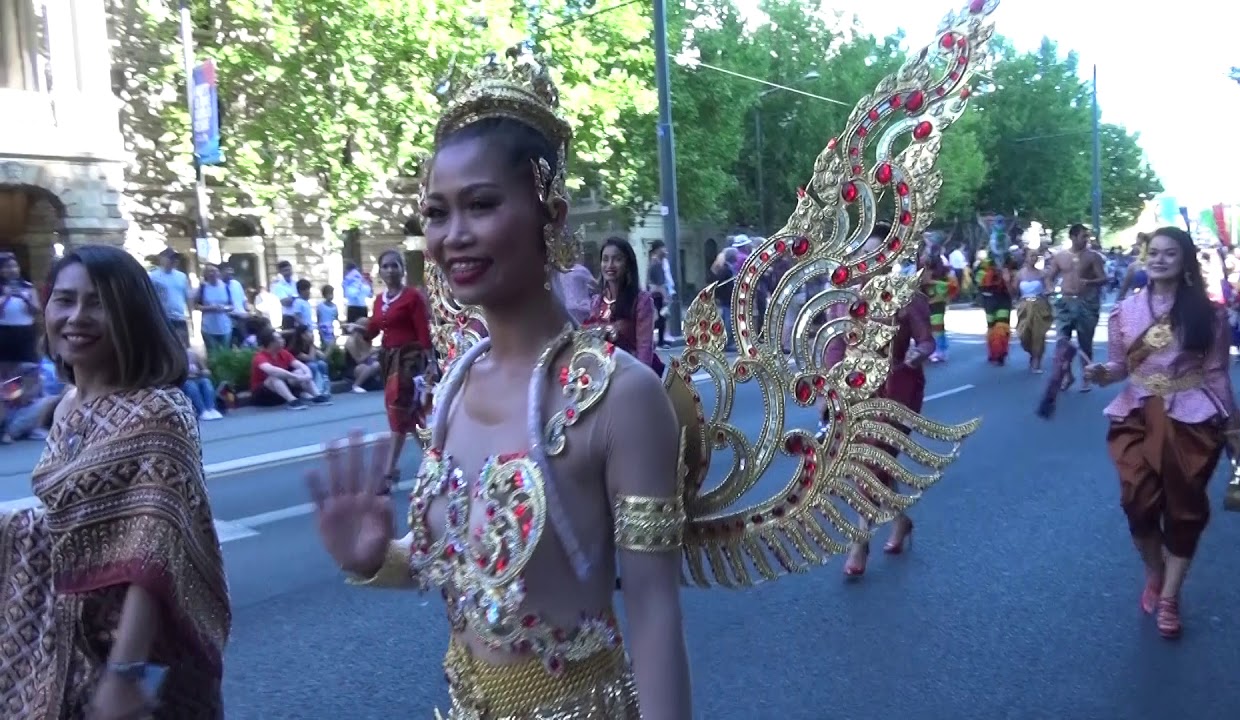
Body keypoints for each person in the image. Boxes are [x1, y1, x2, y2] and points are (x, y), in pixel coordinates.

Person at [306, 11, 992, 713]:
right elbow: (466, 574)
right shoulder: (454, 385)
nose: (453, 235)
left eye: (481, 205)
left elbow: (657, 616)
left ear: (551, 214)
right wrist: (375, 559)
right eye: (436, 213)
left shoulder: (617, 399)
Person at [0, 244, 230, 717]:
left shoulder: (160, 413)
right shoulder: (65, 406)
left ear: (131, 315)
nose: (76, 316)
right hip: (54, 635)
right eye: (64, 300)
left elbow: (156, 549)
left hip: (134, 653)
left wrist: (125, 671)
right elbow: (66, 520)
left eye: (98, 302)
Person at [1084, 227, 1240, 639]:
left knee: (1183, 511)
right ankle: (1155, 571)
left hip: (1190, 420)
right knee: (1135, 502)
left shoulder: (1208, 315)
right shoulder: (1125, 312)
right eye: (1152, 253)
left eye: (1169, 254)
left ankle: (1171, 596)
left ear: (1184, 260)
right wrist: (1102, 373)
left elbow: (1216, 373)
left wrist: (1233, 424)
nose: (1158, 259)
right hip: (1136, 412)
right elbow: (1119, 367)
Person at [823, 224, 935, 577]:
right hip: (855, 391)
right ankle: (900, 521)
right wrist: (831, 385)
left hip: (896, 389)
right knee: (868, 463)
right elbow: (834, 347)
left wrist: (917, 355)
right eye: (866, 253)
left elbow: (927, 341)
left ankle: (860, 542)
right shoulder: (843, 299)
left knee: (874, 460)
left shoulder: (908, 296)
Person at [345, 249, 435, 485]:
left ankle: (388, 472)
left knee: (397, 409)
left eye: (395, 265)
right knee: (410, 414)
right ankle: (436, 457)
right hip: (388, 359)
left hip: (409, 359)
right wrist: (358, 330)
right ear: (380, 272)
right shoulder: (379, 300)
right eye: (386, 266)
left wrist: (431, 363)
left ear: (402, 270)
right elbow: (375, 329)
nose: (391, 270)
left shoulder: (412, 297)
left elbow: (423, 330)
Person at [1045, 223, 1107, 391]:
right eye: (1083, 236)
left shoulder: (1093, 257)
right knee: (1062, 342)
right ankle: (1067, 375)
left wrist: (1089, 282)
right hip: (1064, 303)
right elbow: (1049, 277)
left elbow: (1103, 278)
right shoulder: (1059, 256)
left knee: (1085, 343)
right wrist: (1052, 291)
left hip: (1086, 303)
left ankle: (1086, 378)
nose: (1086, 240)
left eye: (1087, 237)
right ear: (1072, 237)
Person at [585, 237, 657, 372]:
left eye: (617, 259)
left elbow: (645, 347)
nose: (609, 265)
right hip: (601, 375)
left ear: (628, 264)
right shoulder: (596, 302)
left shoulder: (641, 300)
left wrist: (641, 378)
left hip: (629, 373)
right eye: (605, 259)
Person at [250, 331, 329, 409]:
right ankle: (292, 401)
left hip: (281, 390)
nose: (283, 340)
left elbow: (300, 365)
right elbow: (273, 370)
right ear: (271, 343)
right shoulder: (260, 357)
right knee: (274, 378)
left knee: (300, 371)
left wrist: (308, 374)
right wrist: (295, 377)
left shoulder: (283, 353)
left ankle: (317, 395)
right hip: (264, 395)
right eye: (279, 338)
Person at [1013, 249, 1053, 373]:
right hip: (1024, 306)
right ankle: (1032, 352)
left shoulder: (1042, 274)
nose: (1034, 258)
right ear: (1026, 257)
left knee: (1039, 334)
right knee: (1023, 334)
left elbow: (1049, 287)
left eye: (1036, 256)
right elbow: (1014, 291)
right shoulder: (1019, 274)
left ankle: (1036, 360)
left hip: (1039, 305)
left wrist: (1049, 291)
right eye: (1031, 255)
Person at [148, 247, 191, 347]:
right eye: (170, 258)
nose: (174, 261)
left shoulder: (182, 276)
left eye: (175, 258)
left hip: (180, 317)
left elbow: (187, 296)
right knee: (165, 346)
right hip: (163, 317)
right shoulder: (153, 277)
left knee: (183, 346)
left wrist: (190, 316)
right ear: (162, 259)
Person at [184, 348, 223, 420]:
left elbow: (205, 370)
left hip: (198, 378)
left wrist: (203, 372)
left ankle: (211, 409)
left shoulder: (193, 354)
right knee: (191, 386)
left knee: (206, 382)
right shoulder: (176, 358)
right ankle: (202, 411)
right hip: (184, 381)